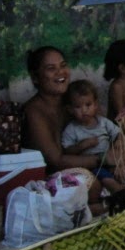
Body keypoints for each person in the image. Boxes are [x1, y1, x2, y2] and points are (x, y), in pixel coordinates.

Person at [22, 46, 105, 215]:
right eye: (51, 69)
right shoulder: (34, 110)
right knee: (93, 184)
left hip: (86, 165)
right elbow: (56, 160)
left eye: (63, 65)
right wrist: (102, 159)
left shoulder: (73, 102)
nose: (61, 72)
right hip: (50, 179)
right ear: (35, 77)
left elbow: (101, 126)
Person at [61, 79, 125, 214]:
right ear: (70, 109)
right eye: (78, 107)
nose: (84, 110)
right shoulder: (72, 129)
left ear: (96, 105)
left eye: (88, 105)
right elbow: (67, 151)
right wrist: (82, 146)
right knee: (106, 179)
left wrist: (117, 145)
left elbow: (118, 134)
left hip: (111, 159)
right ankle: (121, 194)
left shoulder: (103, 123)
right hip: (93, 166)